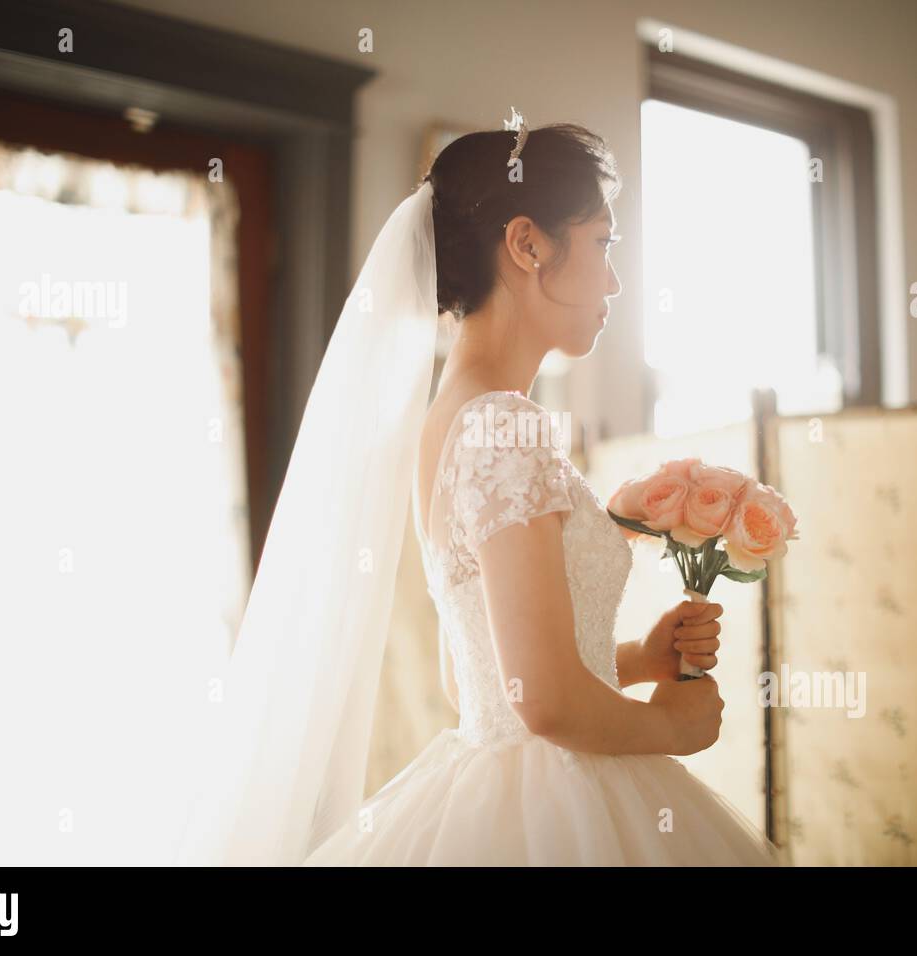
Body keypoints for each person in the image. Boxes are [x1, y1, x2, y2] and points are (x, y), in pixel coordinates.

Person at [287, 117, 781, 865]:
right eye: (603, 243)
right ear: (527, 245)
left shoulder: (447, 423)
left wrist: (641, 660)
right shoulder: (505, 426)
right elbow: (542, 700)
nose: (614, 279)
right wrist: (673, 729)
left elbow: (474, 678)